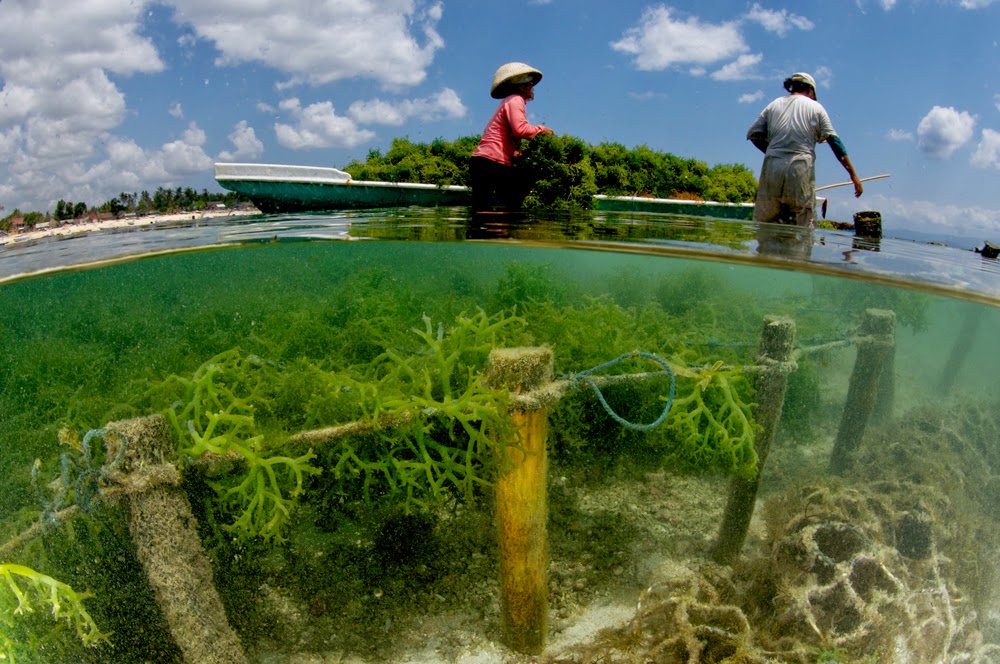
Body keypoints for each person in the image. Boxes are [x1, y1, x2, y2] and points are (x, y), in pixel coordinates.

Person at [747, 72, 863, 230]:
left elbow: (753, 135)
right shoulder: (816, 107)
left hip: (772, 168)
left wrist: (773, 152)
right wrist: (854, 176)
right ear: (810, 90)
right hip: (799, 169)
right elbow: (835, 142)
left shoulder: (773, 105)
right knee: (802, 228)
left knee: (766, 226)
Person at [470, 62, 554, 212]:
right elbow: (521, 130)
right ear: (522, 86)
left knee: (483, 210)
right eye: (530, 84)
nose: (532, 87)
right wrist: (543, 130)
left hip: (483, 162)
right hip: (490, 163)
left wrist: (515, 153)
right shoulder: (516, 99)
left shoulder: (509, 101)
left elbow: (506, 135)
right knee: (521, 186)